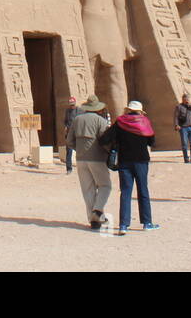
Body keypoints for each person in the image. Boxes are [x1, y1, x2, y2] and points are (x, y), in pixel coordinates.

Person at [102, 100, 159, 233]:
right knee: (143, 190)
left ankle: (123, 225)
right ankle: (147, 222)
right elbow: (152, 142)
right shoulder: (145, 122)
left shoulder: (120, 122)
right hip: (141, 160)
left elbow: (105, 139)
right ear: (140, 111)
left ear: (128, 109)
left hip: (124, 161)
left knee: (126, 192)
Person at [65, 94, 112, 229]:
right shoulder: (100, 121)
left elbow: (69, 141)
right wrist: (109, 153)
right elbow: (105, 141)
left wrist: (78, 149)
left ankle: (94, 220)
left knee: (88, 189)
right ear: (97, 108)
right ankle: (97, 211)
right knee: (105, 186)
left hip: (80, 159)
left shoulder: (77, 120)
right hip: (97, 158)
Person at [176, 94, 191, 163]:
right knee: (185, 144)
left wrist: (190, 105)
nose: (186, 100)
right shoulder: (179, 107)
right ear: (182, 99)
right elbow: (176, 117)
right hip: (183, 128)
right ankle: (186, 159)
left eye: (187, 99)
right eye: (185, 99)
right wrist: (176, 125)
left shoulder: (190, 106)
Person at [62, 96, 80, 174]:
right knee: (69, 151)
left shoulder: (80, 110)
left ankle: (81, 166)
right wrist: (66, 127)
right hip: (69, 133)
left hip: (77, 133)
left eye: (73, 104)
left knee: (79, 151)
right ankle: (69, 168)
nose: (72, 106)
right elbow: (65, 121)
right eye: (70, 104)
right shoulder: (67, 111)